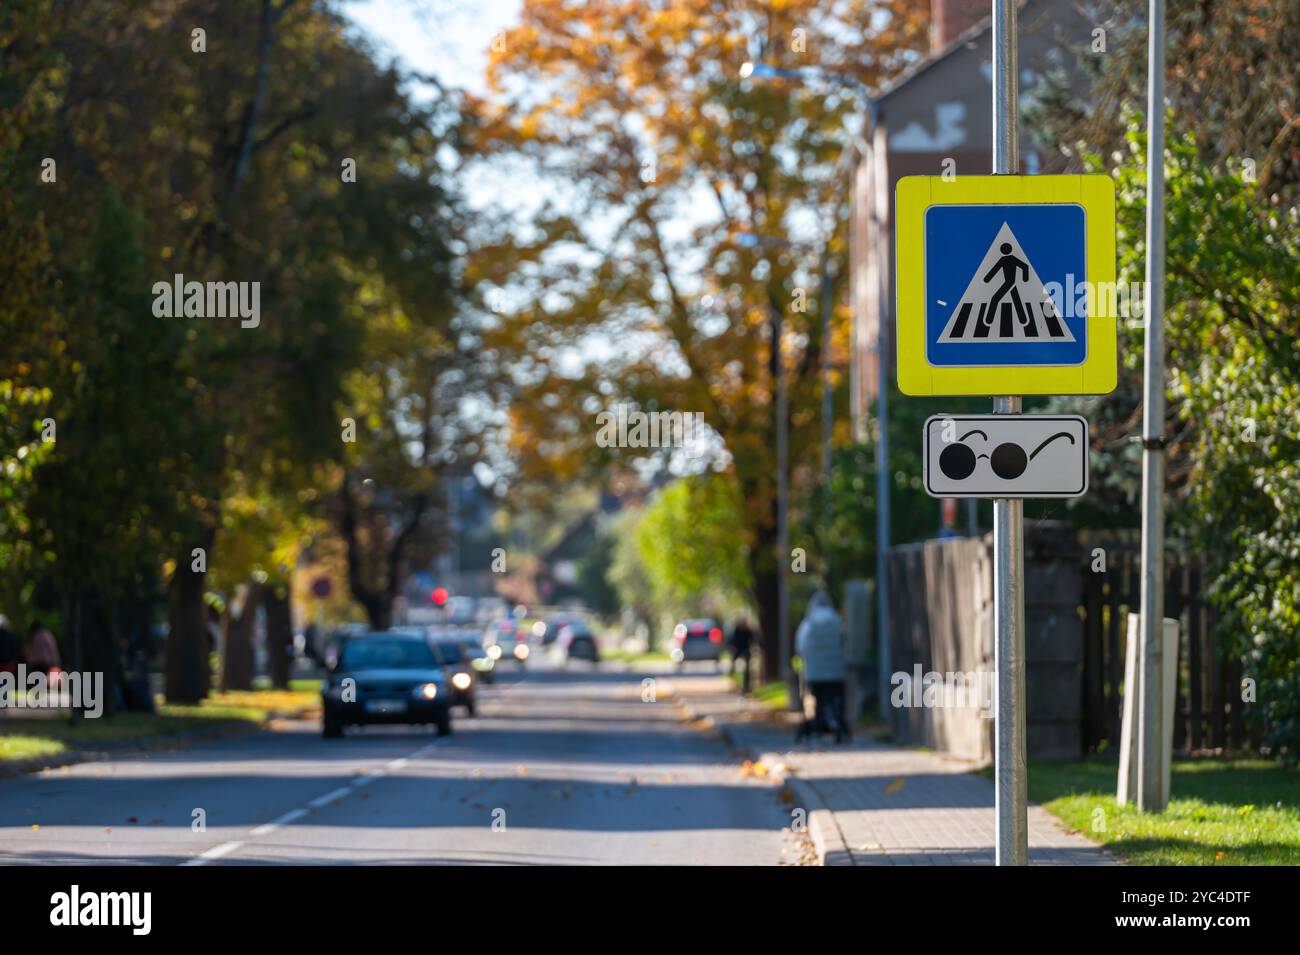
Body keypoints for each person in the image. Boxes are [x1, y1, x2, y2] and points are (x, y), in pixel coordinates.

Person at [794, 591, 849, 744]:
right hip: (836, 670)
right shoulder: (837, 620)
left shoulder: (808, 623)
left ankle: (817, 729)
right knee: (835, 698)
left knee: (818, 699)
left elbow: (800, 646)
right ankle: (837, 723)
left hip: (815, 671)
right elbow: (845, 641)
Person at [728, 616, 755, 694]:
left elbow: (753, 640)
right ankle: (733, 681)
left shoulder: (749, 631)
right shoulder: (737, 630)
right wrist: (733, 648)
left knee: (747, 669)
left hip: (745, 650)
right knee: (733, 666)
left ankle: (746, 686)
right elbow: (732, 640)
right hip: (738, 650)